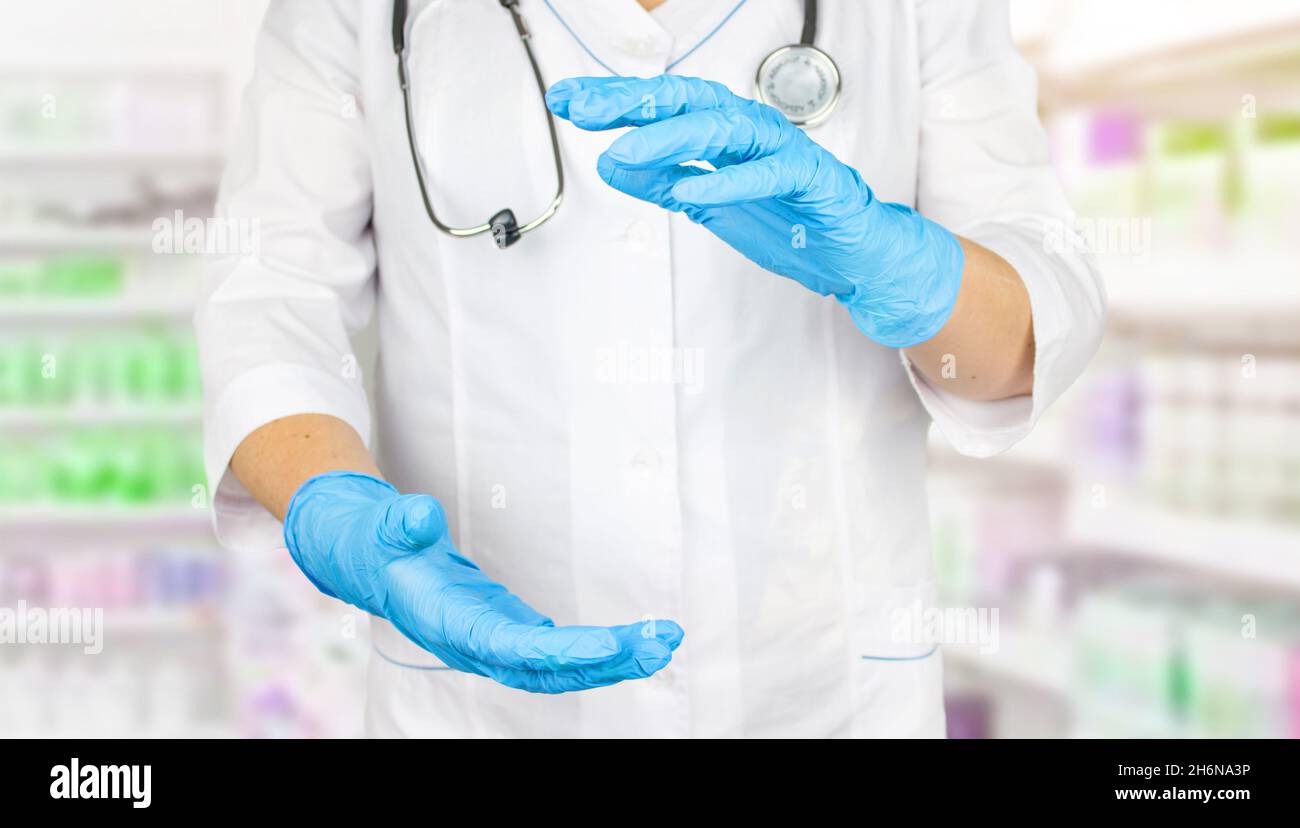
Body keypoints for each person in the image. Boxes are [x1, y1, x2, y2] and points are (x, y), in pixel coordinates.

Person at [197, 0, 1104, 737]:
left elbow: (1032, 326)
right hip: (478, 712)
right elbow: (270, 291)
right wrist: (330, 503)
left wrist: (901, 265)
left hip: (823, 698)